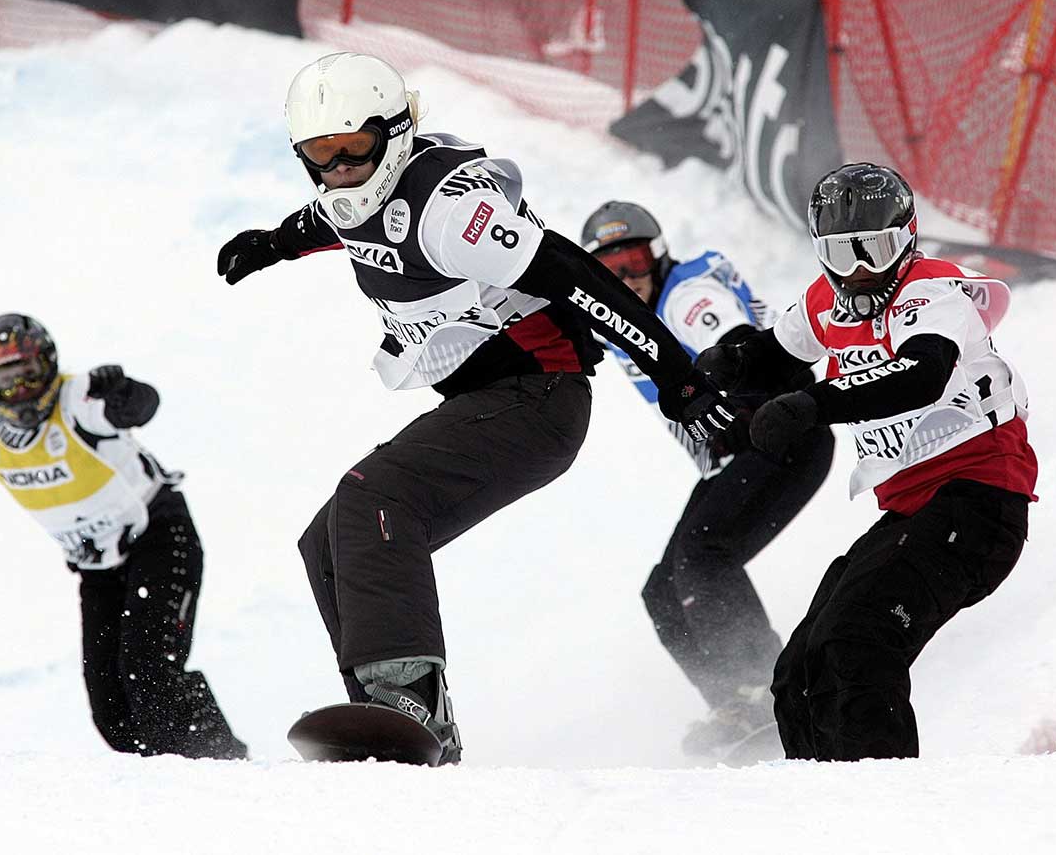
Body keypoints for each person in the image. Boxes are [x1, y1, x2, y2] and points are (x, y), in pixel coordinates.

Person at [216, 52, 737, 764]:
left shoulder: (450, 209)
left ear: (394, 133)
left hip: (539, 395)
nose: (338, 167)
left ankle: (414, 701)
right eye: (318, 153)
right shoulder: (361, 189)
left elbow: (573, 272)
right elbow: (334, 216)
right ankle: (385, 714)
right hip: (491, 397)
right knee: (331, 537)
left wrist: (674, 372)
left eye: (353, 148)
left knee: (376, 497)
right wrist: (274, 243)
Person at [696, 163, 1037, 761]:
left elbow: (921, 376)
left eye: (874, 250)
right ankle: (820, 801)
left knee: (859, 643)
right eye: (842, 252)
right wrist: (731, 362)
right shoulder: (827, 300)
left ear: (905, 239)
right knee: (799, 669)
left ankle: (882, 808)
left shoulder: (931, 294)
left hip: (978, 500)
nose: (859, 271)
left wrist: (813, 403)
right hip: (912, 510)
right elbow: (777, 351)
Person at [0, 313, 246, 761]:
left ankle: (220, 763)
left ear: (49, 368)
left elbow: (141, 407)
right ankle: (172, 780)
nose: (21, 392)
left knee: (150, 674)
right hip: (97, 569)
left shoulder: (78, 399)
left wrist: (123, 392)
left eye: (29, 376)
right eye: (7, 380)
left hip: (159, 540)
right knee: (113, 713)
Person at [581, 201, 834, 759]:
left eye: (635, 259)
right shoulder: (629, 316)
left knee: (703, 555)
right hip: (741, 454)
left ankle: (774, 690)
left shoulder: (689, 300)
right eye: (610, 267)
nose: (627, 276)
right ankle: (735, 699)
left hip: (779, 437)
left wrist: (745, 406)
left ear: (660, 255)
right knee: (664, 590)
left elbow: (744, 344)